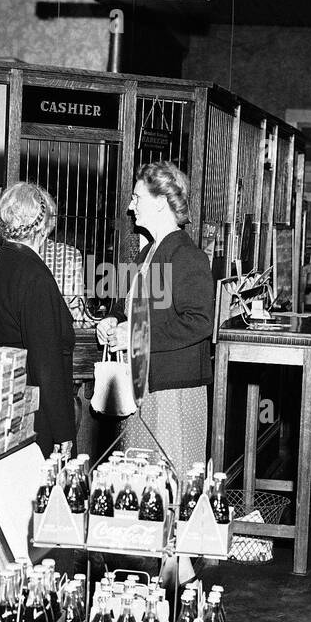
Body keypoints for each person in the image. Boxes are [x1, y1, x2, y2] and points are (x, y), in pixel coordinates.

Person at [95, 161, 214, 481]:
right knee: (140, 479)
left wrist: (134, 336)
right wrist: (111, 321)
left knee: (171, 480)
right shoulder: (144, 255)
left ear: (161, 202)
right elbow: (124, 308)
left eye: (137, 198)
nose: (131, 207)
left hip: (173, 390)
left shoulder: (187, 256)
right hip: (140, 386)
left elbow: (199, 321)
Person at [0, 182, 76, 457]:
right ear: (43, 226)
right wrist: (63, 432)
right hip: (32, 413)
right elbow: (46, 362)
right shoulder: (37, 278)